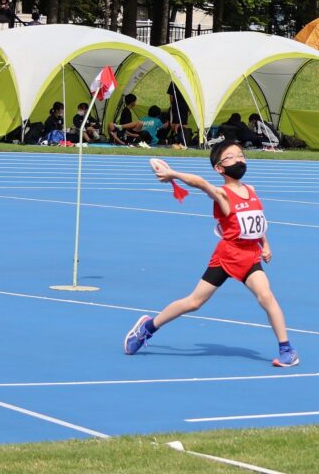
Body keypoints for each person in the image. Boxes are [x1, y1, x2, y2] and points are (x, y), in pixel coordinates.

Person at [122, 141, 300, 367]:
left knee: (266, 297)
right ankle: (148, 327)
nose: (239, 159)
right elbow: (202, 183)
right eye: (231, 157)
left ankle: (287, 350)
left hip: (250, 256)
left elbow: (258, 222)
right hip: (227, 257)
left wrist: (265, 244)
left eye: (241, 155)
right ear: (219, 168)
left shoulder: (251, 190)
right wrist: (173, 174)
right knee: (194, 302)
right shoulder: (222, 195)